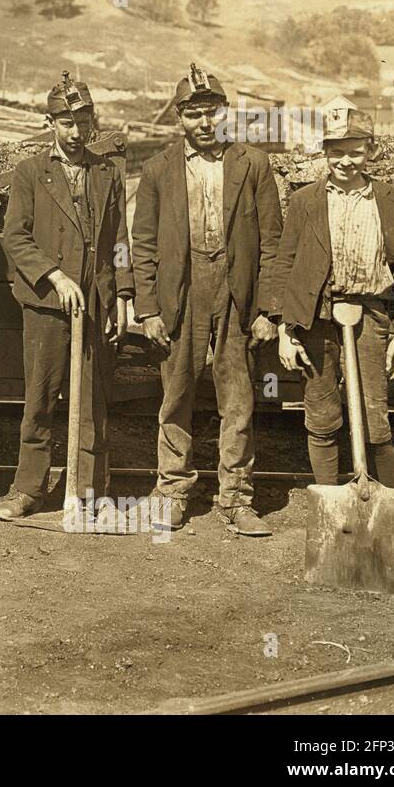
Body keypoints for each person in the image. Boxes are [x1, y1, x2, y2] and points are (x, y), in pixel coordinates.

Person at [132, 63, 283, 535]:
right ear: (179, 117)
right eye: (193, 114)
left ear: (222, 114)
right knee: (175, 394)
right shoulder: (158, 169)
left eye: (210, 112)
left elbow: (273, 243)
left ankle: (236, 498)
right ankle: (174, 489)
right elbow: (144, 244)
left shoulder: (252, 164)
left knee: (237, 397)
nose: (202, 122)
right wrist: (150, 308)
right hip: (183, 289)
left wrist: (267, 309)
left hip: (235, 289)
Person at [0, 73, 132, 522]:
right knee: (40, 397)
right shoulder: (31, 172)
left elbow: (118, 240)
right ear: (50, 122)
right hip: (47, 304)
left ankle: (88, 492)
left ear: (93, 120)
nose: (76, 133)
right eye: (66, 123)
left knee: (93, 400)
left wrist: (121, 296)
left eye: (83, 121)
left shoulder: (107, 171)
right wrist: (54, 275)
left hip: (96, 301)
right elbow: (15, 236)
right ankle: (28, 489)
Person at [268, 106, 394, 488]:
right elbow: (285, 263)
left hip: (371, 314)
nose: (346, 161)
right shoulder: (305, 201)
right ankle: (330, 501)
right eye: (337, 151)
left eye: (355, 151)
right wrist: (286, 329)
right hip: (317, 318)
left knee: (374, 416)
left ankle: (384, 503)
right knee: (321, 414)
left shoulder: (392, 201)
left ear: (370, 151)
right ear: (325, 151)